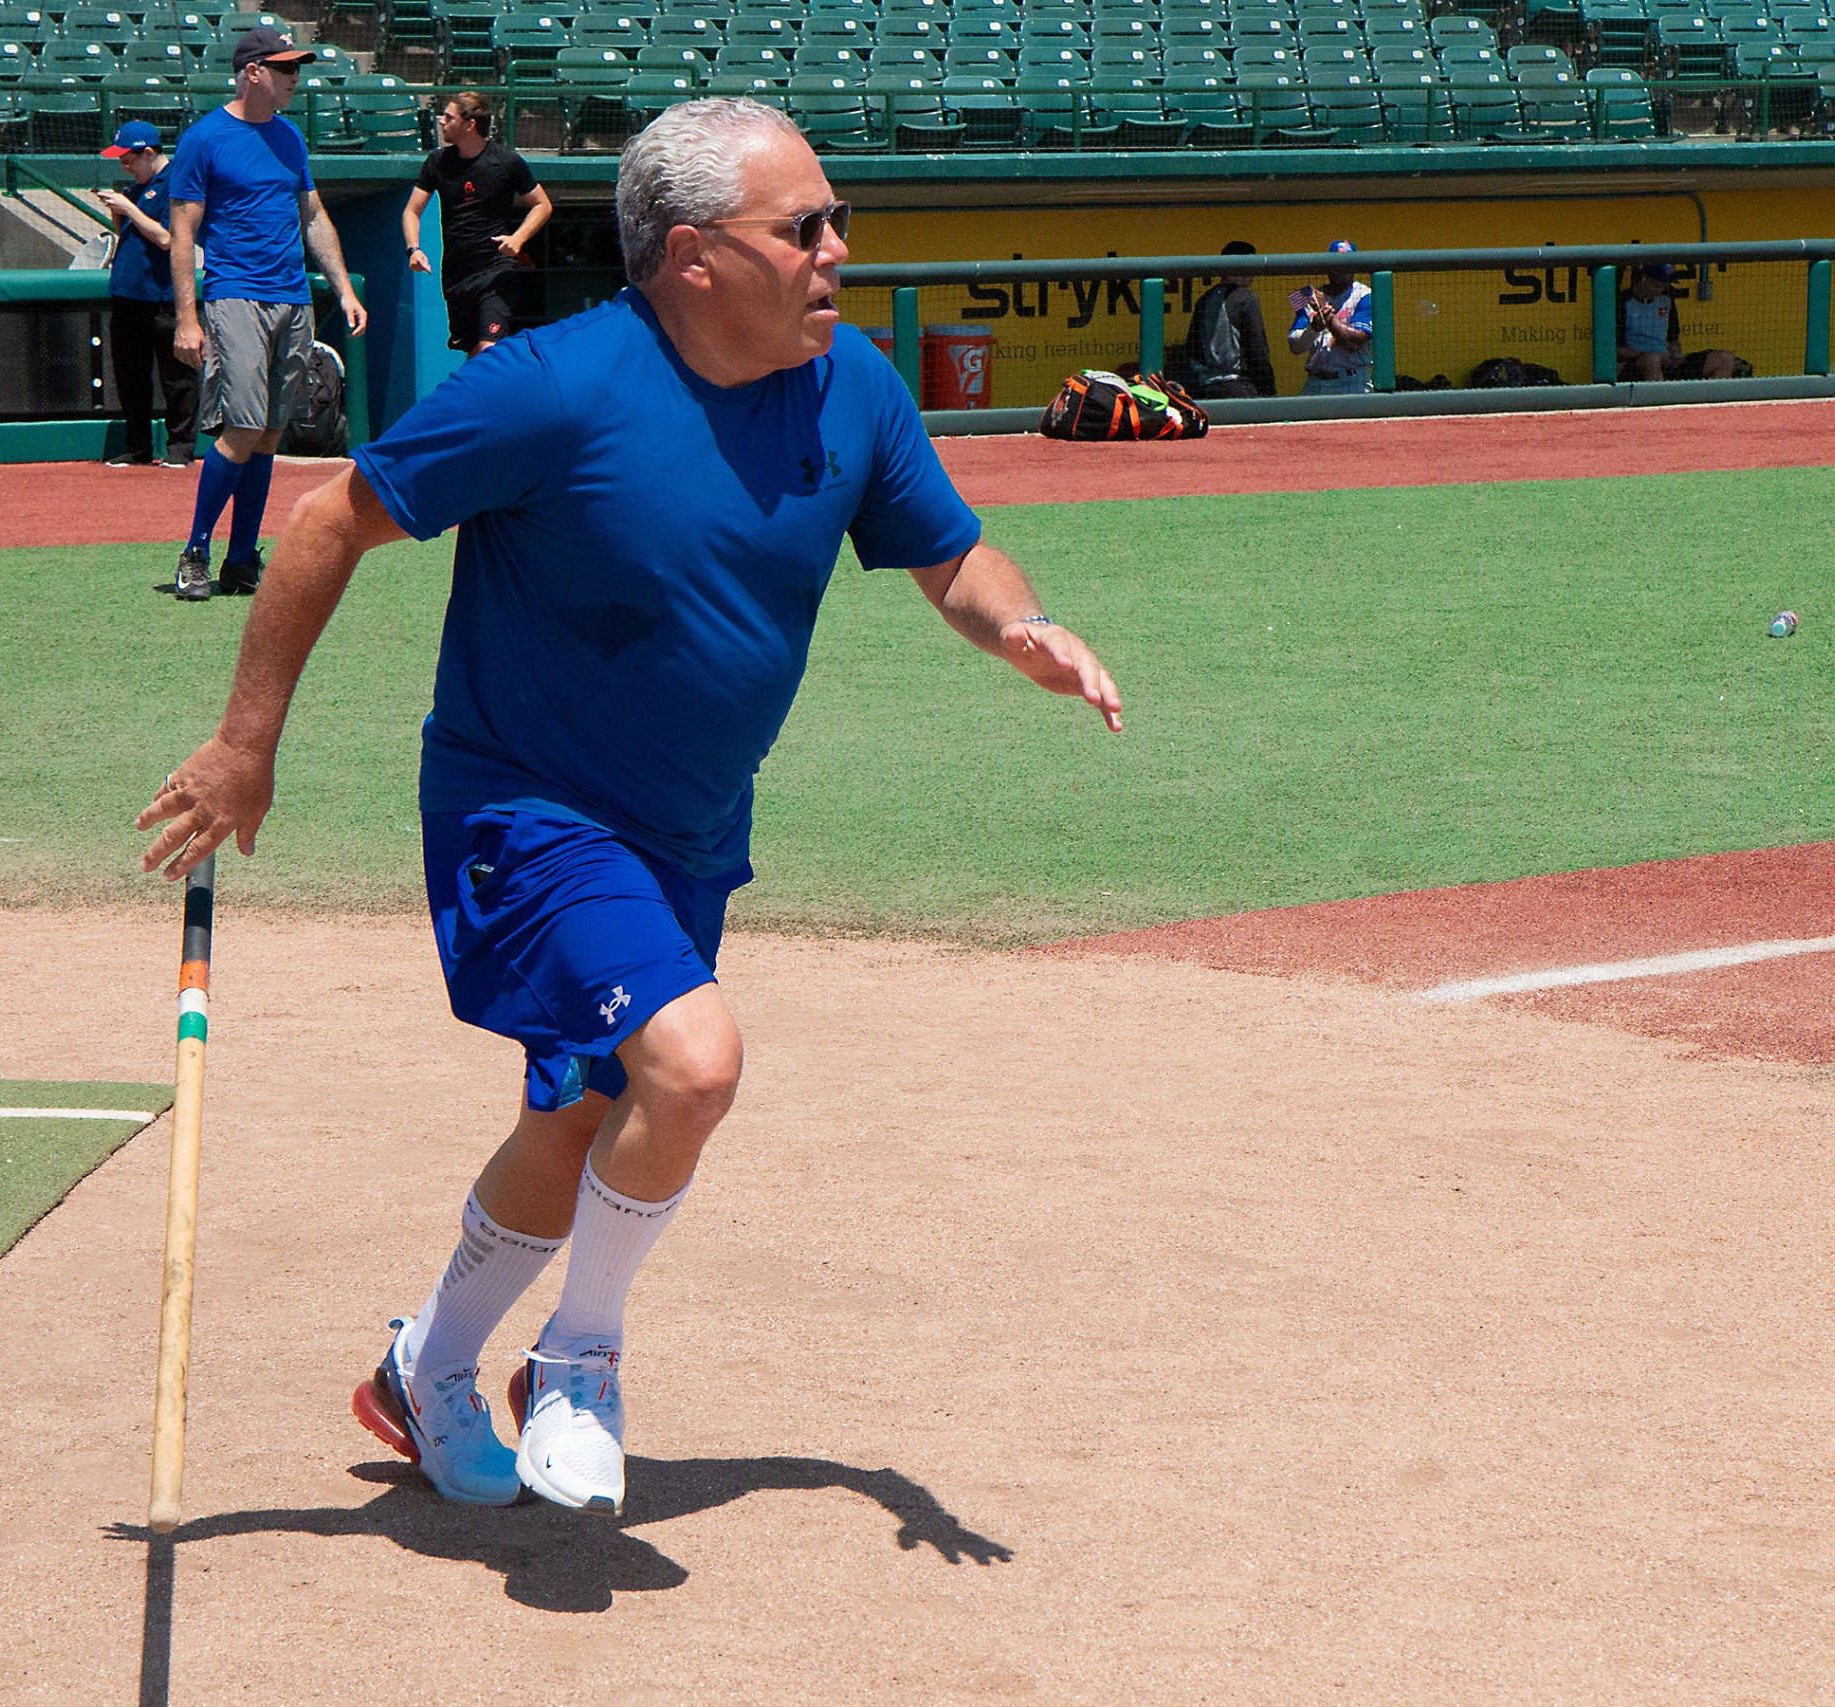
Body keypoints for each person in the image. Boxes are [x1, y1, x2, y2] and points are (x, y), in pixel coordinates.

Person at [135, 98, 1123, 1517]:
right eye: (808, 227)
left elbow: (952, 557)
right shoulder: (554, 385)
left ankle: (426, 1370)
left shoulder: (851, 388)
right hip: (525, 811)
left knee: (587, 1109)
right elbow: (323, 519)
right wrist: (246, 742)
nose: (840, 247)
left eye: (836, 220)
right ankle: (581, 1358)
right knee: (693, 1065)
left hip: (687, 831)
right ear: (694, 256)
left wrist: (1026, 628)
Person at [166, 25, 367, 601]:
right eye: (286, 68)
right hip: (236, 294)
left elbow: (312, 216)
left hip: (293, 298)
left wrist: (343, 289)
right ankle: (196, 551)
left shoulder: (291, 138)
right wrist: (188, 317)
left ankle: (242, 556)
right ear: (254, 71)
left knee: (273, 432)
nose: (295, 78)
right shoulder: (204, 138)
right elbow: (183, 234)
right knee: (245, 426)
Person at [402, 90, 552, 357]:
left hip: (495, 271)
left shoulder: (507, 162)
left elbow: (542, 205)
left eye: (448, 117)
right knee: (473, 356)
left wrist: (517, 239)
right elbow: (412, 212)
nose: (441, 122)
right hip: (456, 275)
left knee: (488, 350)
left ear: (470, 125)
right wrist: (414, 249)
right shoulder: (437, 162)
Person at [97, 120, 198, 467]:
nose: (125, 165)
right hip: (127, 295)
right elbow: (129, 236)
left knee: (177, 378)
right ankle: (137, 446)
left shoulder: (174, 182)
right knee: (130, 377)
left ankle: (180, 448)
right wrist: (119, 213)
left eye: (129, 158)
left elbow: (167, 238)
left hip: (162, 298)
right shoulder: (133, 189)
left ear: (149, 153)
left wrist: (129, 209)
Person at [1168, 238, 1275, 401]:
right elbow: (1257, 347)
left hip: (1206, 388)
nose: (1253, 275)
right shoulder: (1246, 299)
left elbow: (1192, 349)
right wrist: (1268, 386)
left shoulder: (1203, 299)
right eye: (1251, 267)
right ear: (1242, 267)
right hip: (1240, 387)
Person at [1617, 263, 1740, 382]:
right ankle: (1662, 401)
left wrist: (1675, 354)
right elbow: (1617, 349)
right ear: (1644, 279)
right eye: (1657, 286)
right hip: (1636, 365)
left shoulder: (1666, 300)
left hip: (1666, 361)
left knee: (1725, 358)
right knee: (1652, 360)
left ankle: (1708, 401)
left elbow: (1673, 339)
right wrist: (1650, 355)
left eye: (1665, 286)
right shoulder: (1623, 302)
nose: (1660, 290)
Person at [1287, 237, 1372, 398]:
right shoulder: (1308, 296)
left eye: (1345, 264)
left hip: (1352, 380)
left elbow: (1355, 342)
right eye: (1334, 263)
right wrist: (1313, 329)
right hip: (1315, 381)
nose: (1339, 268)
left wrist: (1325, 313)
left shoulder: (1365, 294)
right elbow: (1295, 347)